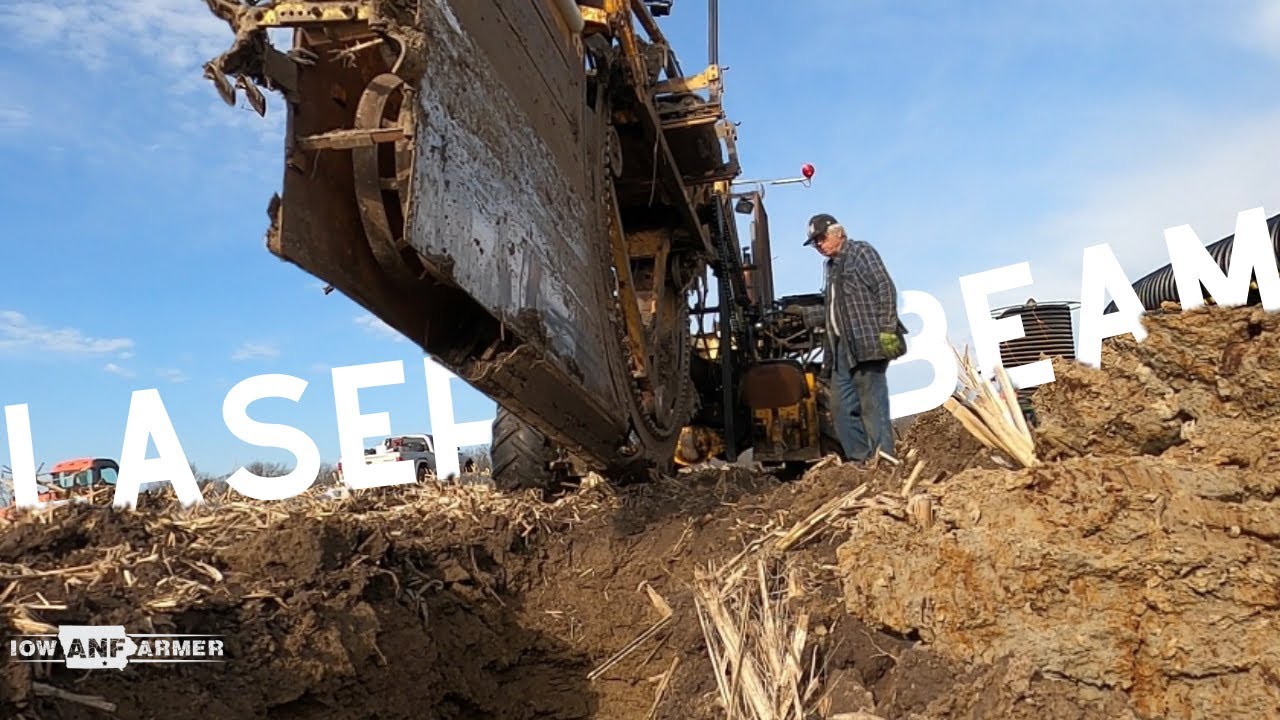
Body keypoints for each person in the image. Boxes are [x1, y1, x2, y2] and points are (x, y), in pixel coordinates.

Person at [805, 213, 908, 461]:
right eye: (815, 242)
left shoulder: (860, 252)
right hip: (842, 350)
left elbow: (884, 286)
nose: (818, 245)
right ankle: (861, 462)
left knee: (872, 406)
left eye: (821, 238)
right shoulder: (830, 268)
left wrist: (887, 328)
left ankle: (885, 461)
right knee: (840, 410)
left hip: (867, 342)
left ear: (838, 233)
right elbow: (835, 312)